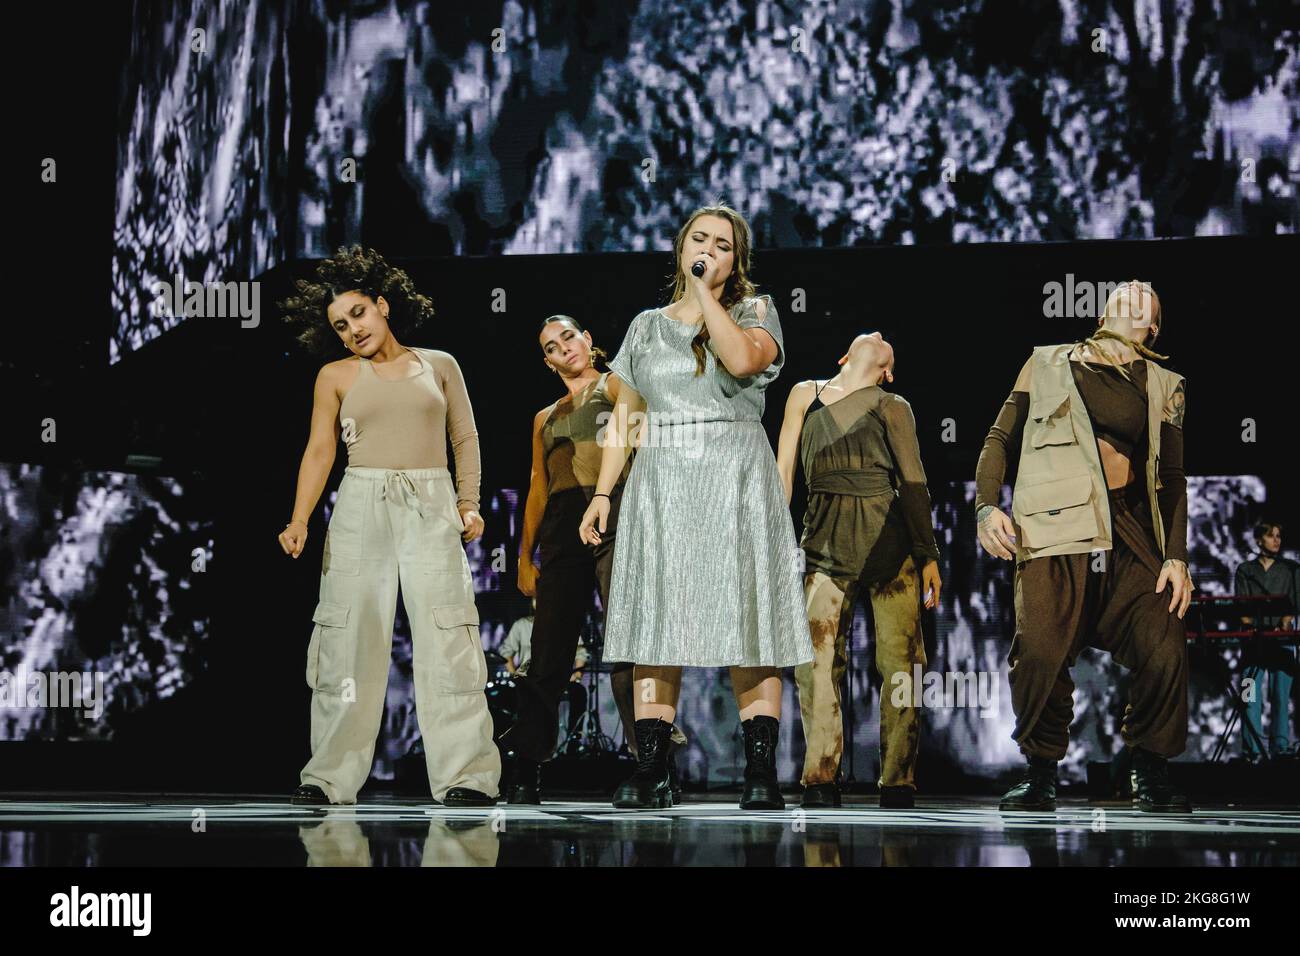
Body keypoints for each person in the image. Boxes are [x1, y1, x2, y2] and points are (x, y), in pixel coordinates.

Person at [579, 201, 814, 810]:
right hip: (661, 479)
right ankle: (653, 767)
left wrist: (708, 295)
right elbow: (626, 416)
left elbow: (740, 360)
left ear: (735, 260)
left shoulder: (754, 311)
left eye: (724, 244)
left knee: (747, 620)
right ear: (681, 248)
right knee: (659, 619)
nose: (710, 249)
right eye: (700, 239)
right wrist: (604, 493)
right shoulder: (645, 326)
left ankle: (759, 771)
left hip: (733, 471)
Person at [277, 245, 500, 807]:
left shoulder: (439, 364)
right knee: (347, 637)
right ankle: (327, 778)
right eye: (340, 325)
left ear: (382, 305)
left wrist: (468, 504)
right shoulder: (335, 375)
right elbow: (320, 449)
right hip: (359, 505)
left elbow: (465, 437)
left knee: (448, 636)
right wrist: (300, 518)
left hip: (430, 502)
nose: (351, 329)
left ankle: (467, 777)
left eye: (358, 314)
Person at [975, 280, 1194, 813]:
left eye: (1146, 292)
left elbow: (1173, 477)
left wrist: (1177, 556)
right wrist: (986, 506)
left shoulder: (1166, 385)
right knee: (1039, 653)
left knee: (1164, 637)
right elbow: (999, 439)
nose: (1135, 288)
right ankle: (1042, 770)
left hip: (1128, 535)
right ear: (1104, 308)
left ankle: (1151, 768)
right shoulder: (1045, 362)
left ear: (1153, 325)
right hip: (1055, 527)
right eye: (1125, 288)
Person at [498, 315, 687, 804]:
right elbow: (538, 486)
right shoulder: (546, 417)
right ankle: (527, 764)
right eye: (552, 346)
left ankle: (651, 761)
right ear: (547, 361)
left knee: (626, 641)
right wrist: (524, 555)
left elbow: (646, 444)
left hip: (618, 509)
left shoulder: (618, 384)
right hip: (562, 526)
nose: (564, 348)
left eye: (568, 337)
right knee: (547, 650)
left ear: (587, 339)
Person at [775, 331, 942, 809]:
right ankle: (821, 777)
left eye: (887, 340)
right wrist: (772, 533)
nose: (880, 335)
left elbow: (913, 481)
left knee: (901, 665)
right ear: (843, 355)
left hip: (890, 548)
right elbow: (783, 470)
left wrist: (927, 554)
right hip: (824, 543)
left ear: (888, 370)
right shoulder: (805, 394)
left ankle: (897, 780)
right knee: (816, 664)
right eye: (871, 336)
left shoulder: (894, 404)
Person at [1233, 519, 1298, 759]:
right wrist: (1250, 624)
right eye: (1271, 536)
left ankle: (1280, 748)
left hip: (1281, 642)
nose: (1276, 540)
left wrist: (1285, 621)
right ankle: (1253, 750)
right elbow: (1241, 604)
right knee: (1249, 696)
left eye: (1279, 536)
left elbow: (1294, 601)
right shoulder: (1245, 570)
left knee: (1280, 695)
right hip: (1253, 643)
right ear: (1259, 540)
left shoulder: (1290, 568)